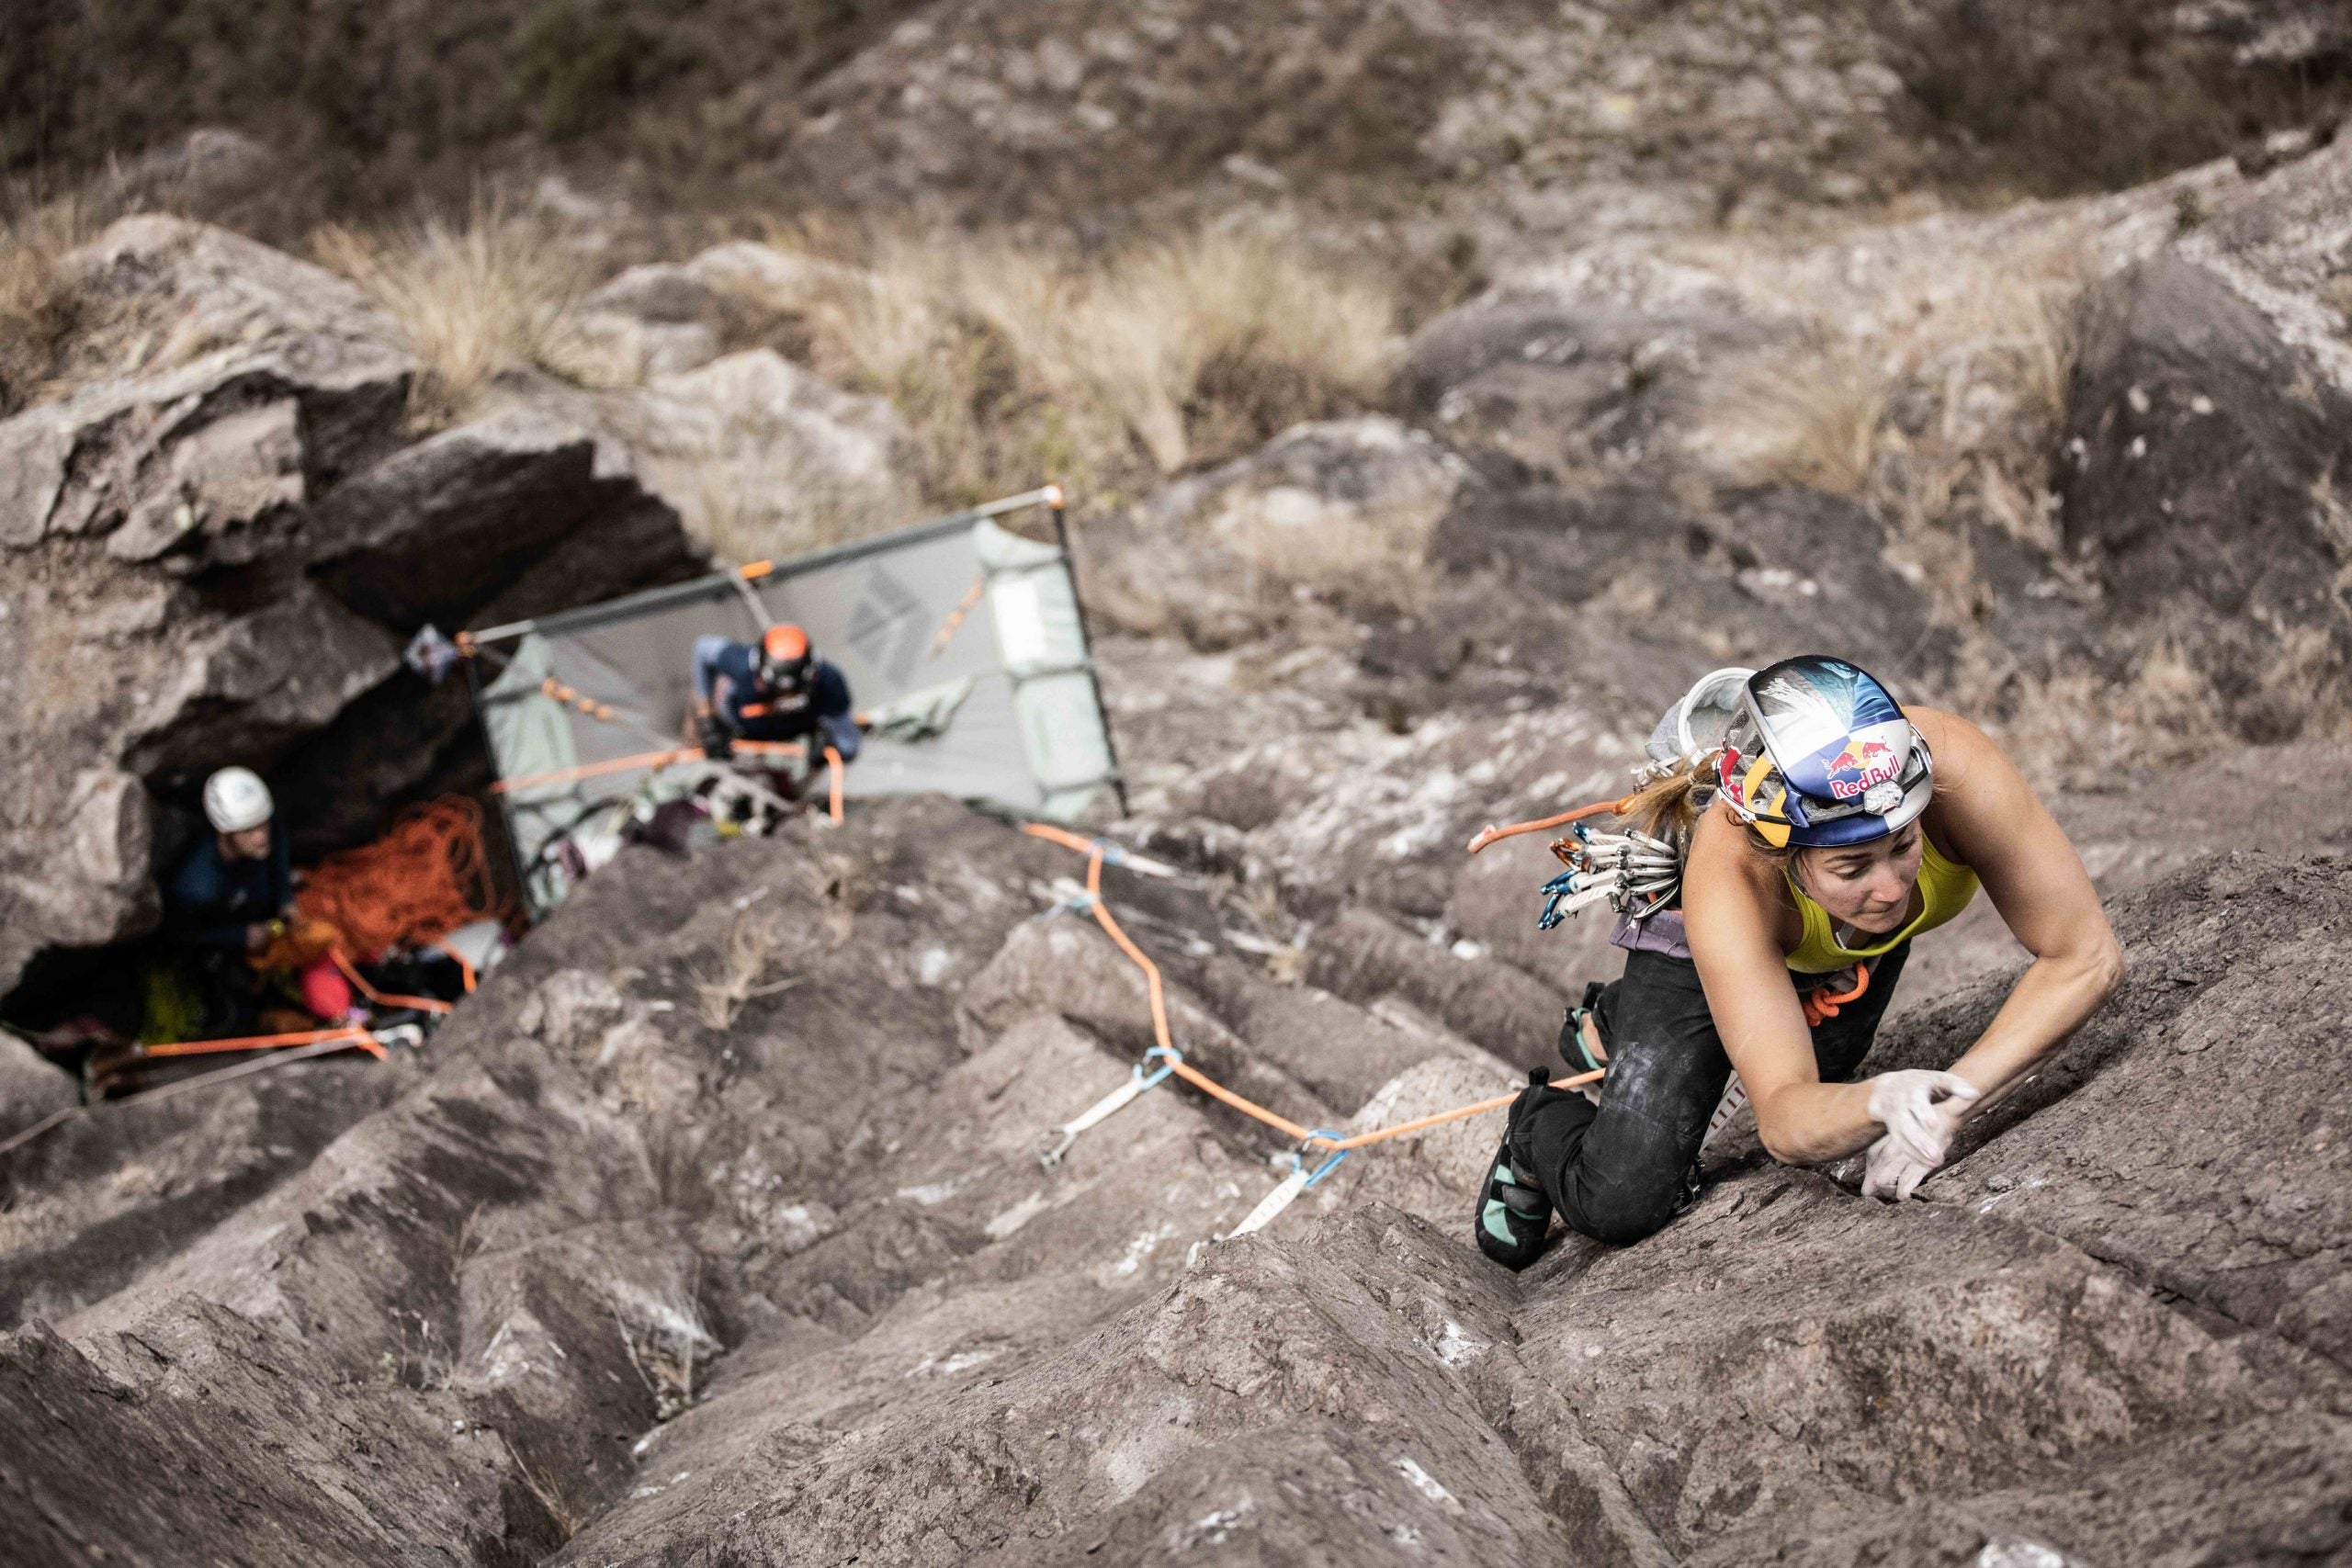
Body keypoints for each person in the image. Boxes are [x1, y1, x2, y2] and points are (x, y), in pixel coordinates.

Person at [1476, 655, 2123, 1268]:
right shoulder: (1732, 876)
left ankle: (1620, 1019)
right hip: (1708, 933)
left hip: (1822, 938)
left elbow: (2085, 954)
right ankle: (1536, 1123)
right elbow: (1785, 1113)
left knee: (1833, 1067)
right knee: (1621, 1195)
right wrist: (1882, 1101)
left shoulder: (1950, 768)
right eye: (1852, 866)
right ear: (1789, 856)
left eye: (1904, 845)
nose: (1894, 887)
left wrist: (1953, 1102)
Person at [161, 766, 354, 1031]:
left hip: (263, 917)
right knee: (229, 1002)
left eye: (263, 826)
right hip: (225, 944)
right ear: (226, 833)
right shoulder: (198, 886)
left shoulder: (261, 832)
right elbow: (177, 935)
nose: (262, 836)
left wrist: (285, 899)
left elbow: (277, 851)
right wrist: (239, 936)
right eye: (250, 831)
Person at [689, 623, 860, 772]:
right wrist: (707, 719)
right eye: (775, 691)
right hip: (736, 728)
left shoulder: (829, 682)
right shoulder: (741, 665)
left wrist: (830, 747)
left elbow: (848, 743)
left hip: (798, 739)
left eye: (793, 692)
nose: (783, 699)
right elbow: (702, 647)